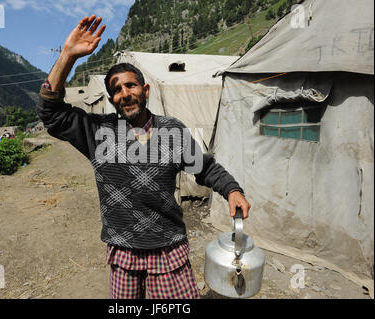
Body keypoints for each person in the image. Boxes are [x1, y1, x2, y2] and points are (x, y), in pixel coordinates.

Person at [37, 15, 251, 299]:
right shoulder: (98, 132)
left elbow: (205, 169)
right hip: (123, 252)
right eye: (116, 89)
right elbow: (51, 114)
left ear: (145, 90)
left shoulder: (171, 130)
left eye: (130, 86)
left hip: (168, 249)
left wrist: (232, 189)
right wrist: (67, 55)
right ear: (111, 98)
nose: (124, 94)